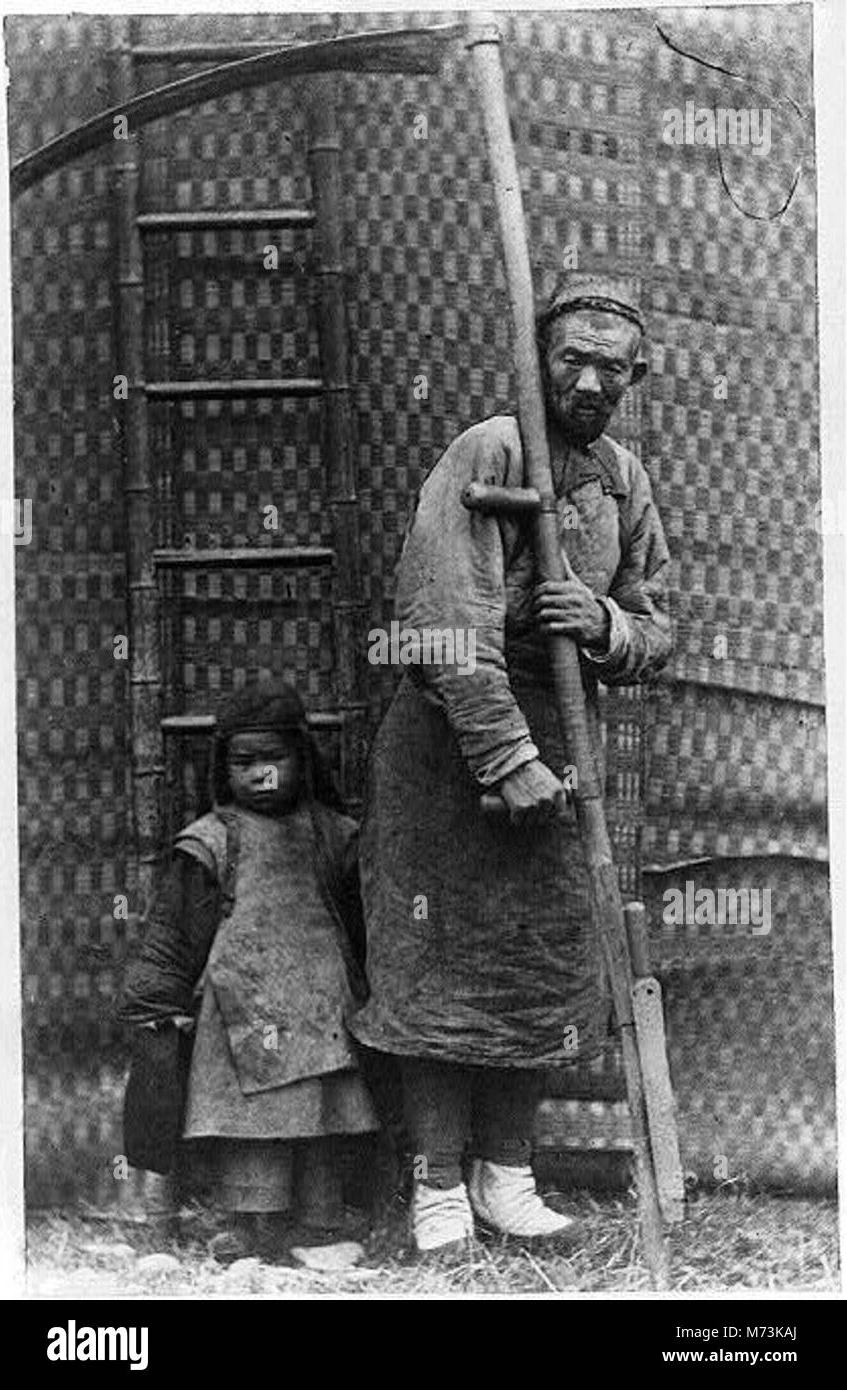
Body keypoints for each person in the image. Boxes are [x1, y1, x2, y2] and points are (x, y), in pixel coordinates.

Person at [348, 270, 673, 1254]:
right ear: (537, 358)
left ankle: (506, 1176)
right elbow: (440, 615)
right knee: (436, 958)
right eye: (571, 358)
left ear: (632, 379)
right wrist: (503, 756)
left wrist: (604, 619)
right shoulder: (487, 450)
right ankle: (436, 1183)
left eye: (610, 369)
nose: (588, 380)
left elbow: (661, 621)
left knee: (534, 958)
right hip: (454, 742)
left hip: (565, 735)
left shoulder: (622, 477)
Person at [118, 680, 378, 1260]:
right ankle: (251, 1227)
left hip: (321, 1011)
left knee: (320, 1118)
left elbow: (367, 922)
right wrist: (156, 1004)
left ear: (303, 759)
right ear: (223, 766)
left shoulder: (333, 834)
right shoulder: (210, 842)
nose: (261, 773)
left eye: (274, 758)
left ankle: (319, 1224)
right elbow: (172, 932)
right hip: (237, 1010)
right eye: (244, 761)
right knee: (251, 1126)